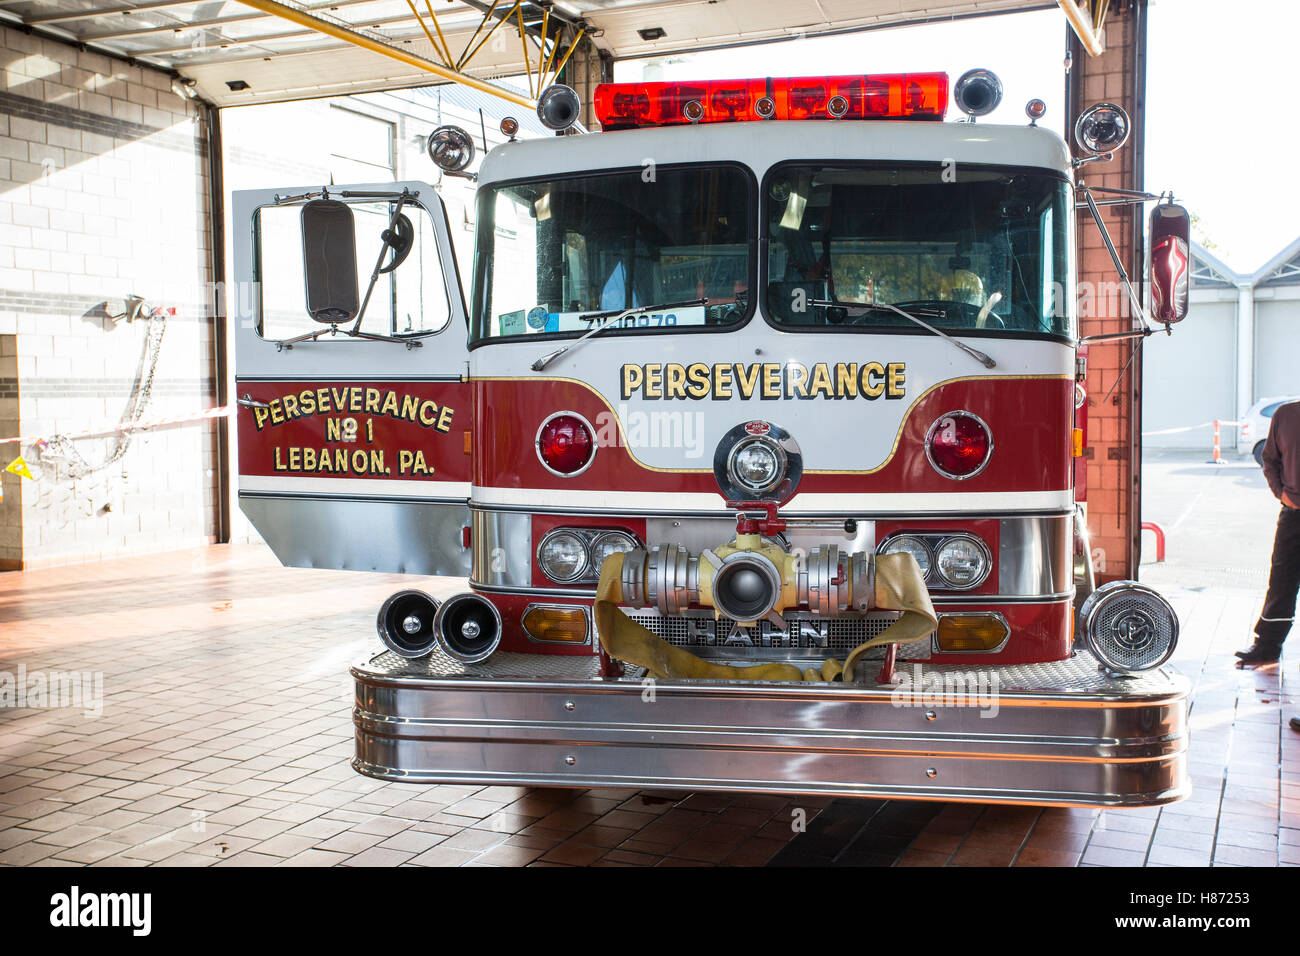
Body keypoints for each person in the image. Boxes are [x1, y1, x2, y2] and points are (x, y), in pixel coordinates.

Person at [1236, 400, 1300, 726]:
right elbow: (1269, 458)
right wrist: (1281, 494)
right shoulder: (1286, 415)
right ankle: (1267, 646)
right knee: (1282, 581)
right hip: (1293, 514)